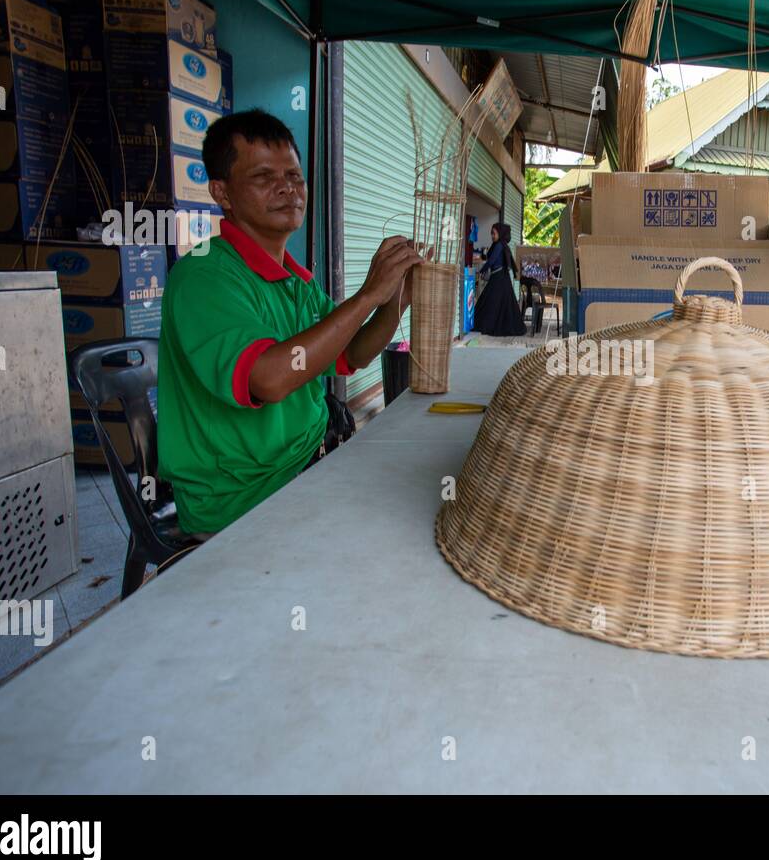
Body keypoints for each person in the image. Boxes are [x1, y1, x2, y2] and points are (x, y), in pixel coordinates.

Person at [157, 109, 424, 545]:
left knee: (419, 492)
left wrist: (398, 298)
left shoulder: (292, 279)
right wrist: (367, 296)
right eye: (264, 177)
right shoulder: (203, 276)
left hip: (310, 461)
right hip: (242, 497)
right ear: (221, 193)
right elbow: (268, 379)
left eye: (295, 177)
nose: (287, 189)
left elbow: (350, 353)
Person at [473, 221, 526, 336]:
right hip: (501, 277)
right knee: (499, 302)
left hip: (499, 278)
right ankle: (492, 325)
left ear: (501, 234)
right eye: (491, 233)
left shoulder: (499, 245)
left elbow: (491, 261)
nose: (492, 236)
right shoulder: (501, 245)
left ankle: (488, 325)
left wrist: (481, 270)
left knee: (492, 301)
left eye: (494, 233)